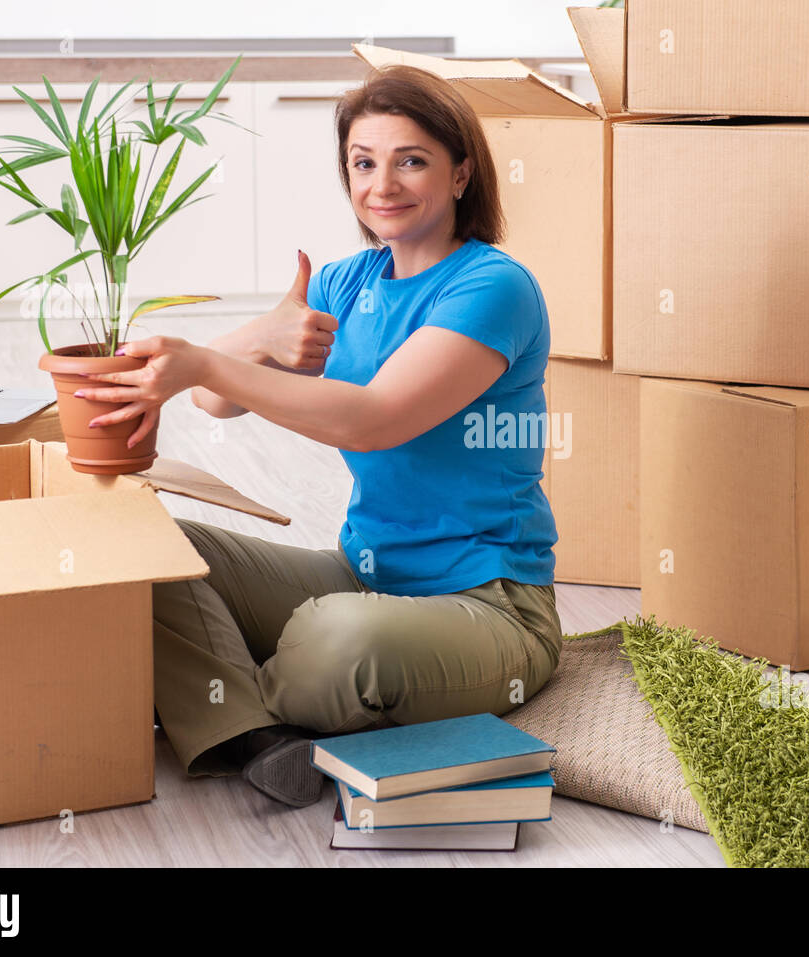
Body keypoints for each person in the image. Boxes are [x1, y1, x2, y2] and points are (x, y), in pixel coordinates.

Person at [71, 63, 561, 808]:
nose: (382, 185)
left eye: (411, 161)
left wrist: (208, 357)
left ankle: (209, 692)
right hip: (363, 571)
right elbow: (212, 399)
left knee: (338, 640)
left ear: (462, 173)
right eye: (363, 163)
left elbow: (376, 416)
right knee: (149, 548)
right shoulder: (342, 282)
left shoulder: (492, 287)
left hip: (490, 603)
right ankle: (254, 735)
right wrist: (264, 331)